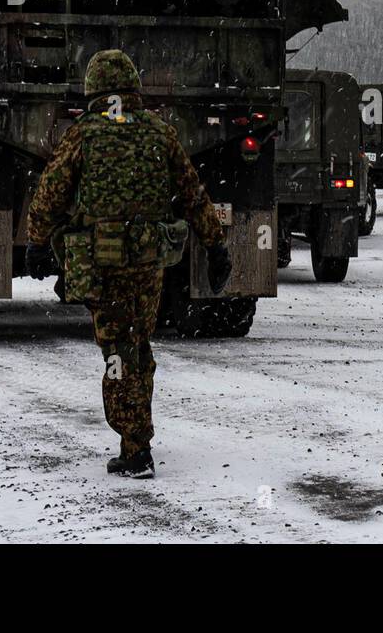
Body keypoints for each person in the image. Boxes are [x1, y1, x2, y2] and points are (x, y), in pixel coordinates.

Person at [26, 49, 230, 478]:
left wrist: (37, 242)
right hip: (149, 261)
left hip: (104, 263)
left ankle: (135, 448)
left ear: (94, 89)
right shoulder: (160, 132)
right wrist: (215, 246)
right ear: (133, 87)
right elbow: (193, 193)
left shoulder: (85, 134)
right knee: (138, 345)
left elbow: (51, 192)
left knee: (117, 352)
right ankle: (137, 438)